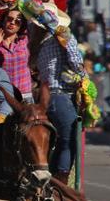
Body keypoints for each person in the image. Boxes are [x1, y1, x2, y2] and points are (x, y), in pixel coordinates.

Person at [32, 10, 87, 177]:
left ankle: (54, 176)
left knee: (60, 141)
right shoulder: (60, 40)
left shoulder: (39, 43)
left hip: (47, 95)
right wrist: (83, 76)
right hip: (60, 94)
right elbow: (76, 64)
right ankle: (60, 179)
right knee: (69, 140)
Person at [0, 6, 33, 102]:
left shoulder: (25, 39)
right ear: (3, 20)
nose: (12, 22)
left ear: (22, 25)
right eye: (9, 19)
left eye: (17, 21)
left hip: (25, 94)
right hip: (3, 95)